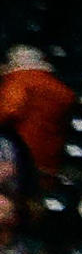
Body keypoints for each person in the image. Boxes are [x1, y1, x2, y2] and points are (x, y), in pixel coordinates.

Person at [0, 46, 70, 180]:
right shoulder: (60, 88)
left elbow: (8, 111)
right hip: (48, 158)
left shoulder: (19, 81)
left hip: (15, 156)